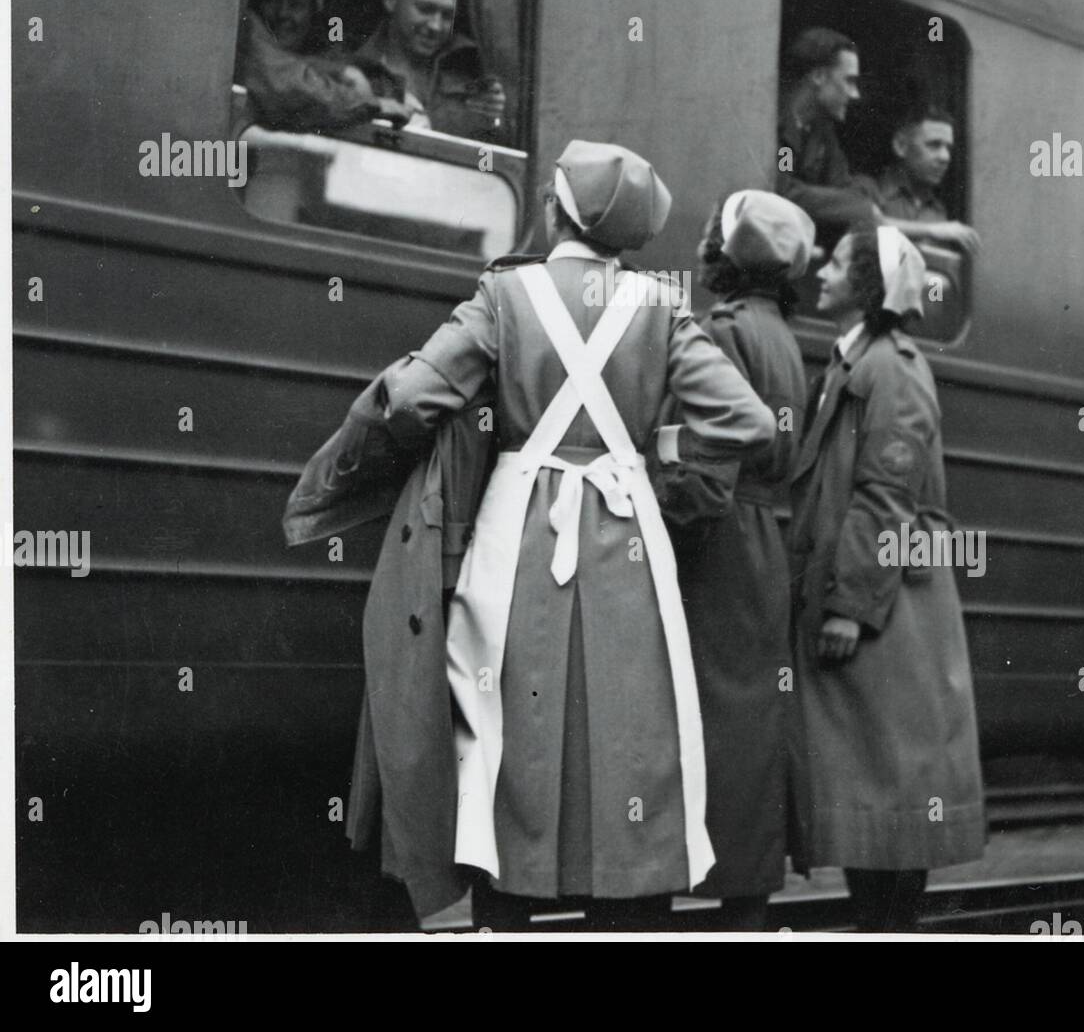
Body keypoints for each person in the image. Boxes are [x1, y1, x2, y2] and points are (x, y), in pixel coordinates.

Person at [300, 139, 776, 932]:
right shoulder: (661, 307)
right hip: (628, 536)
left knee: (504, 728)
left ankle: (507, 900)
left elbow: (413, 397)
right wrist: (645, 458)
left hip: (519, 531)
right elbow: (749, 423)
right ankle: (630, 895)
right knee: (631, 727)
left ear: (555, 209)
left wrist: (342, 478)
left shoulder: (503, 297)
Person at [787, 224, 985, 932]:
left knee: (892, 788)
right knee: (876, 788)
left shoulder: (890, 367)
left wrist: (848, 608)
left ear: (870, 285)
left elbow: (884, 492)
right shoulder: (861, 361)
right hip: (885, 598)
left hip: (891, 605)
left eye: (839, 261)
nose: (823, 268)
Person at [657, 190, 814, 930]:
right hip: (762, 539)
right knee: (751, 722)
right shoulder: (781, 333)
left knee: (701, 721)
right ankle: (748, 900)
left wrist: (664, 526)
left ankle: (686, 889)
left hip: (716, 541)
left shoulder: (719, 331)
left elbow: (703, 460)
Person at [235, 0, 415, 133]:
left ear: (312, 15)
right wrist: (373, 104)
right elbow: (286, 83)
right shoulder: (245, 32)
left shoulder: (330, 58)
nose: (282, 13)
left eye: (295, 5)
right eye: (272, 1)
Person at [356, 0, 509, 143]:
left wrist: (496, 120)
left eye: (447, 15)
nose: (436, 26)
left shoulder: (474, 71)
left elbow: (495, 156)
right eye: (426, 9)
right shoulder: (353, 70)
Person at [776, 28, 874, 249]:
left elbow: (846, 188)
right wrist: (856, 206)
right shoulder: (774, 118)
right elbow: (782, 191)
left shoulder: (822, 131)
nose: (855, 93)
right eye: (849, 81)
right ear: (819, 76)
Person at [847, 106, 981, 255]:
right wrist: (931, 230)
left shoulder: (937, 211)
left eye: (948, 148)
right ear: (900, 146)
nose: (945, 157)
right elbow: (862, 231)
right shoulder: (865, 189)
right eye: (934, 145)